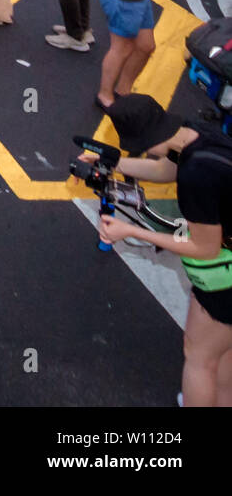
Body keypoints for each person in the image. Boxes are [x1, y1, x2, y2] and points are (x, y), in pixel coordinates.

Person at [98, 94, 232, 407]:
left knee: (198, 357)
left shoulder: (196, 177)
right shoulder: (196, 134)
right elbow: (165, 170)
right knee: (221, 353)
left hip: (225, 280)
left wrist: (130, 230)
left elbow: (204, 248)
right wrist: (112, 162)